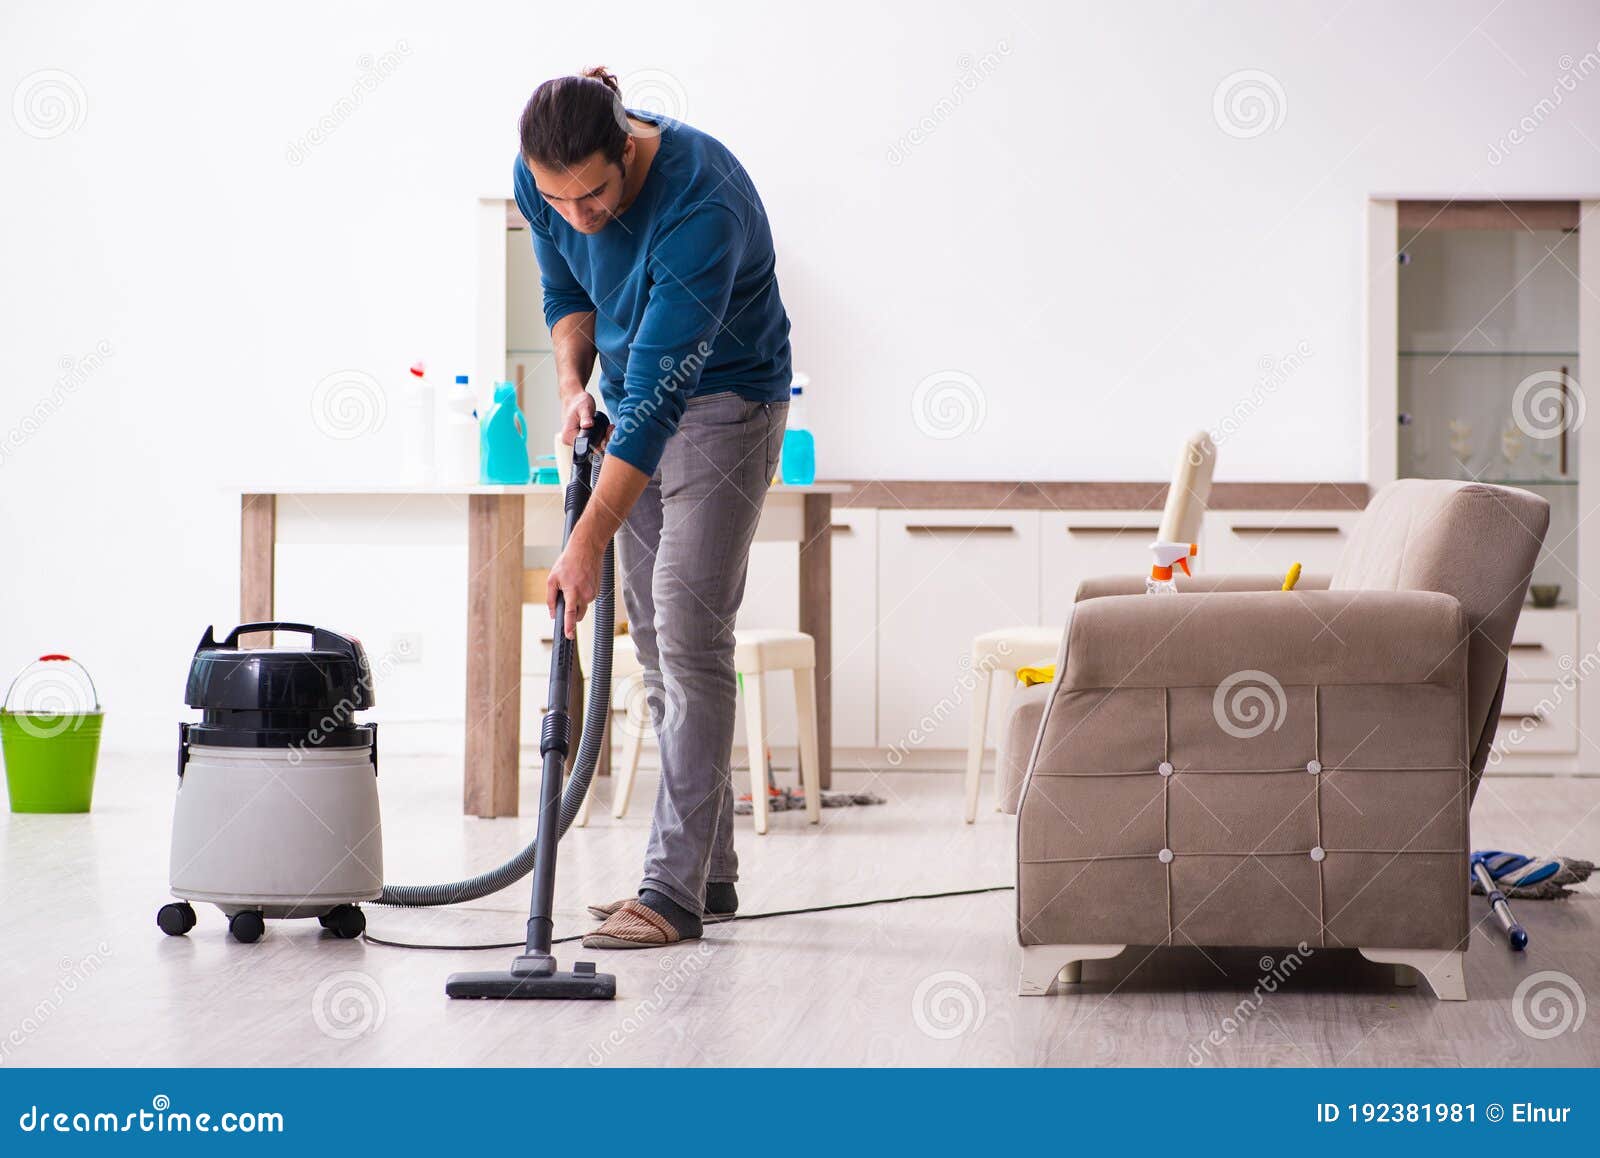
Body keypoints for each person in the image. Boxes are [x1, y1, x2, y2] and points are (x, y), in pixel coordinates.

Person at [513, 67, 793, 949]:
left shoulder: (701, 199)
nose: (580, 215)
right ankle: (708, 875)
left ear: (627, 148)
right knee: (655, 643)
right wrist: (572, 383)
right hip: (633, 393)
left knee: (688, 624)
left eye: (594, 194)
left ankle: (669, 894)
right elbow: (568, 297)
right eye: (559, 200)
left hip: (725, 398)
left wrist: (584, 540)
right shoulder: (544, 178)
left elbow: (668, 398)